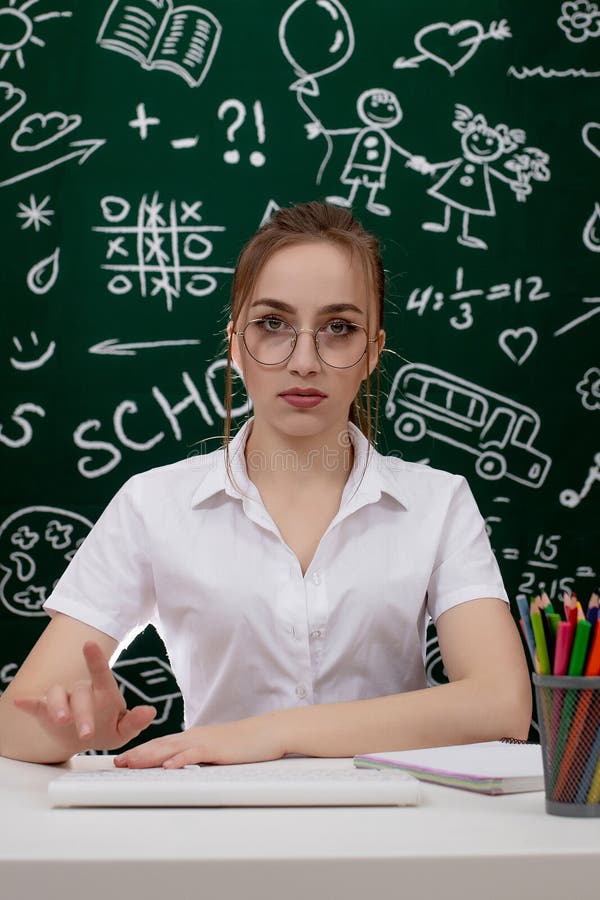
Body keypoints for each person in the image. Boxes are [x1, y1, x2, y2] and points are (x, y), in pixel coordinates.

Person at [0, 201, 531, 767]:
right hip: (218, 832)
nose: (304, 360)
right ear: (235, 343)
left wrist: (270, 734)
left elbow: (502, 704)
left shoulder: (437, 503)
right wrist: (76, 730)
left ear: (372, 352)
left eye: (340, 328)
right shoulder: (152, 504)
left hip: (391, 828)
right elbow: (17, 725)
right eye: (273, 324)